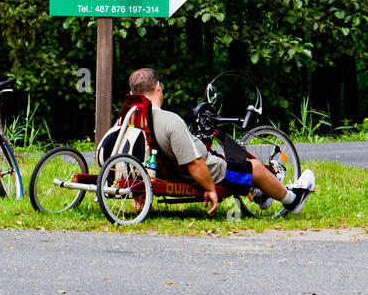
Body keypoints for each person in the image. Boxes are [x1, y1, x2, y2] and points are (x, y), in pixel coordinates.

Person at [128, 66, 315, 217]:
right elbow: (194, 163)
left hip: (175, 169)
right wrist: (210, 189)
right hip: (205, 172)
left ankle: (262, 192)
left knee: (230, 157)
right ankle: (292, 199)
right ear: (158, 87)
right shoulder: (170, 121)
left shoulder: (135, 118)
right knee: (256, 167)